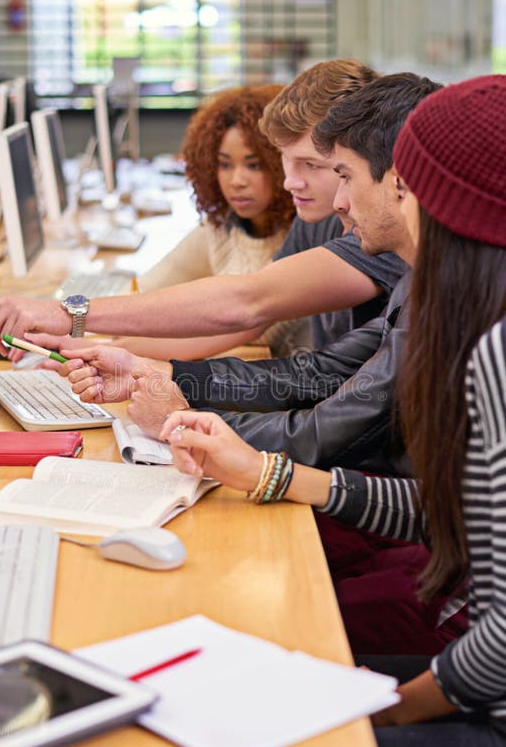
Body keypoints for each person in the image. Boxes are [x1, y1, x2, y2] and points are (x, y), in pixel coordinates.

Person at [154, 51, 506, 747]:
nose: (338, 199)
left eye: (347, 176)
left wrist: (379, 715)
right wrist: (262, 472)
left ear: (420, 193)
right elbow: (453, 514)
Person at [53, 73, 466, 660]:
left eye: (338, 173)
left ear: (401, 184)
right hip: (397, 510)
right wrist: (166, 379)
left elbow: (327, 423)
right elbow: (312, 375)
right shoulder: (423, 282)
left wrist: (195, 428)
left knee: (246, 605)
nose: (335, 200)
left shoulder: (459, 300)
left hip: (430, 554)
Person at [0, 60, 406, 358]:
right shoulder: (319, 220)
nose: (290, 182)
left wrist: (72, 314)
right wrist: (102, 350)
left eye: (314, 165)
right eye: (285, 162)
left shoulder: (383, 234)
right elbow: (247, 321)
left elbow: (246, 304)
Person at [108, 83, 310, 360]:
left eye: (254, 165)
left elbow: (250, 322)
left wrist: (115, 346)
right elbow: (140, 296)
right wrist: (69, 327)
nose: (236, 181)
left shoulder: (308, 230)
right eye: (225, 165)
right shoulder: (221, 228)